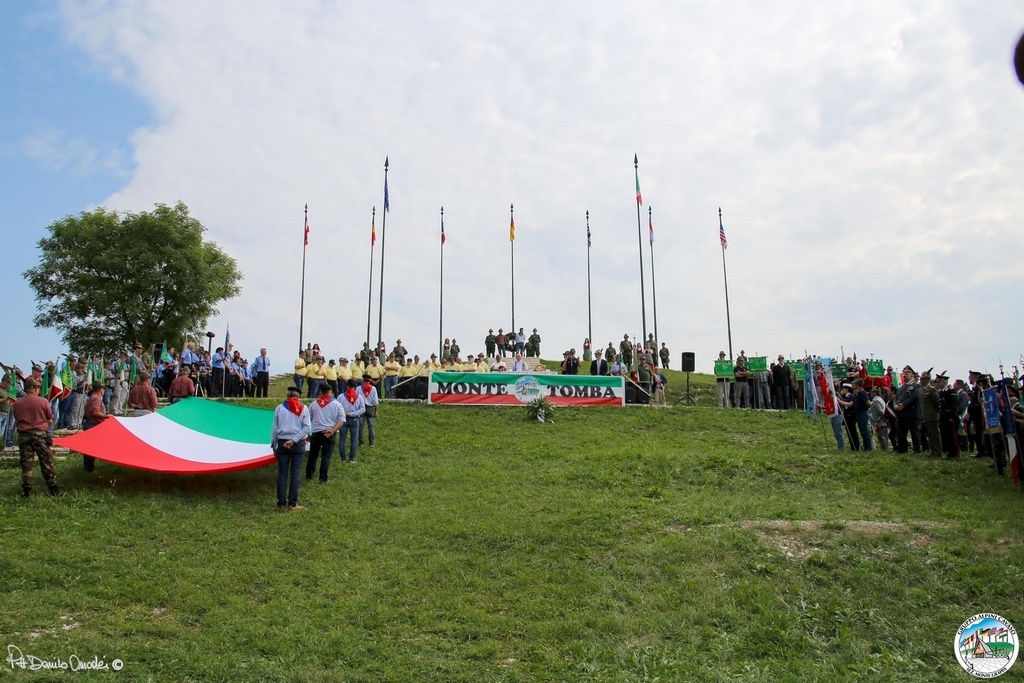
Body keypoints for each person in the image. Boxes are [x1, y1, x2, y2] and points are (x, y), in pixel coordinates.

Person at [12, 378, 61, 497]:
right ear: (34, 389)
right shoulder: (43, 402)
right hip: (39, 435)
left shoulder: (17, 403)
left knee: (26, 464)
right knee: (46, 462)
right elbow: (50, 418)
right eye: (38, 388)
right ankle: (53, 489)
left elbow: (17, 418)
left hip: (24, 436)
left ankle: (27, 490)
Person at [271, 386, 310, 510]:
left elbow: (275, 428)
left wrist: (274, 445)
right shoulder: (304, 408)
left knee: (282, 473)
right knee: (295, 473)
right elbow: (306, 428)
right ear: (298, 397)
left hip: (282, 442)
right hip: (297, 443)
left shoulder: (279, 408)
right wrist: (293, 440)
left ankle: (281, 503)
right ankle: (293, 503)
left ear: (287, 397)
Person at [306, 383, 344, 482]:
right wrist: (333, 430)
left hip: (316, 432)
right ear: (330, 392)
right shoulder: (337, 404)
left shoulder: (314, 404)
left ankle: (309, 474)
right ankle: (323, 477)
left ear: (321, 392)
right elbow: (341, 421)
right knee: (326, 456)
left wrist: (307, 434)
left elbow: (307, 420)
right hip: (329, 432)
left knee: (313, 455)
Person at [81, 380, 110, 472]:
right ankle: (89, 468)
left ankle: (88, 467)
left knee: (88, 448)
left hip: (89, 423)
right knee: (91, 448)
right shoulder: (97, 398)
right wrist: (107, 416)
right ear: (100, 390)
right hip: (93, 424)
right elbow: (95, 412)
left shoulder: (92, 397)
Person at [336, 379, 366, 463]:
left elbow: (337, 408)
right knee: (354, 440)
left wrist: (344, 414)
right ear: (355, 387)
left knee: (342, 439)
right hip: (355, 419)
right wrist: (352, 414)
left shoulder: (341, 396)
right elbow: (362, 409)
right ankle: (352, 459)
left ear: (347, 386)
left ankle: (342, 458)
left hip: (343, 419)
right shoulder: (359, 397)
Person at [920, 370, 942, 458]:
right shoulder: (924, 390)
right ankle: (933, 451)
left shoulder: (931, 389)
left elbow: (937, 403)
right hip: (926, 417)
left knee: (934, 435)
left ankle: (937, 452)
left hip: (932, 416)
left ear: (926, 379)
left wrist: (935, 413)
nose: (920, 380)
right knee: (930, 435)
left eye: (922, 379)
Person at [359, 379, 379, 448]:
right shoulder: (373, 388)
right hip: (370, 409)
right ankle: (371, 443)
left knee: (361, 427)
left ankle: (361, 443)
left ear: (363, 381)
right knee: (371, 426)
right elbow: (375, 401)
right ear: (369, 381)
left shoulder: (359, 388)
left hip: (361, 409)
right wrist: (376, 411)